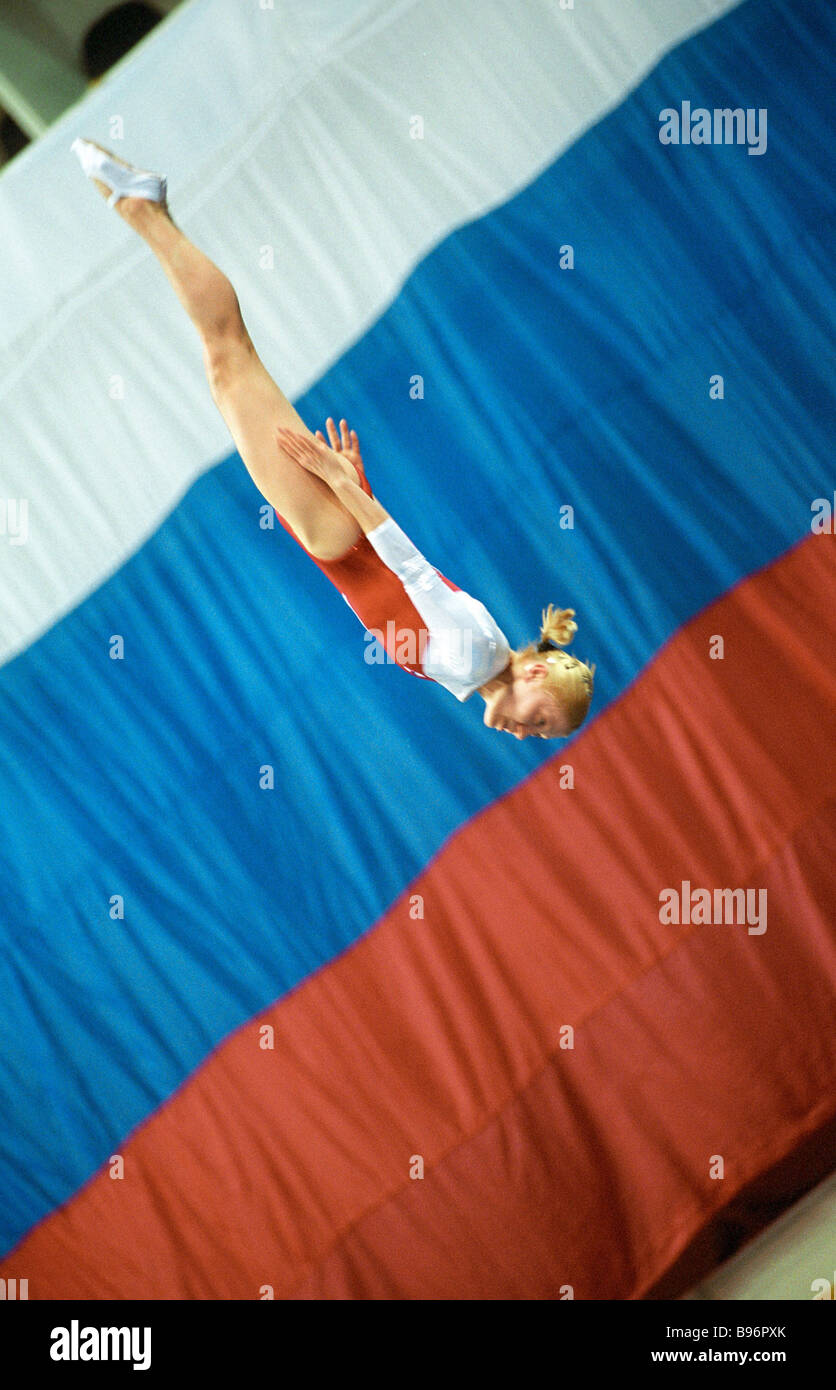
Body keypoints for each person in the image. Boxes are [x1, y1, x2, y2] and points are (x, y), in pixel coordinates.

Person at [71, 139, 595, 738]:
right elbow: (418, 574)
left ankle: (147, 214)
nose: (524, 734)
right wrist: (347, 487)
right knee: (228, 356)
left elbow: (413, 589)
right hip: (338, 534)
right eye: (539, 721)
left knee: (227, 368)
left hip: (342, 537)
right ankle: (144, 212)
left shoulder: (479, 664)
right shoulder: (479, 656)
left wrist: (356, 492)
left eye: (537, 736)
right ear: (532, 680)